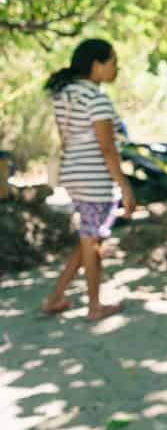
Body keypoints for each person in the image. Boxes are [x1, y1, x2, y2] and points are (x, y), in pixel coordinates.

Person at [42, 39, 136, 321]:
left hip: (72, 173)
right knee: (92, 240)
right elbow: (107, 148)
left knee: (88, 236)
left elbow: (65, 139)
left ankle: (56, 297)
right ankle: (95, 306)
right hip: (95, 177)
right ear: (97, 65)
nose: (116, 69)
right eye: (113, 63)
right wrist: (125, 186)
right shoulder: (97, 99)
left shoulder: (64, 95)